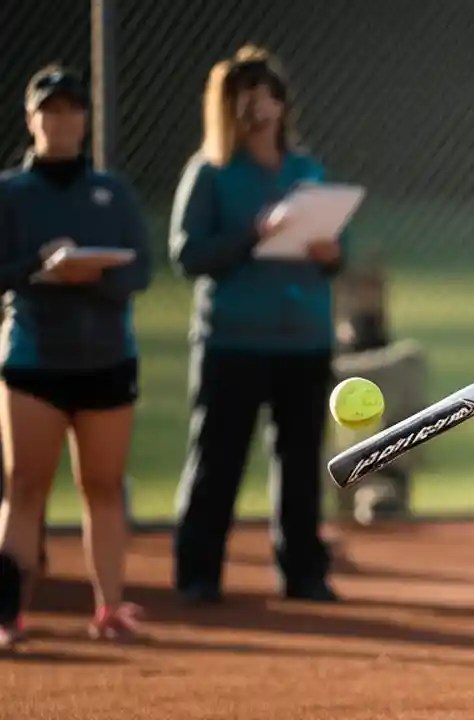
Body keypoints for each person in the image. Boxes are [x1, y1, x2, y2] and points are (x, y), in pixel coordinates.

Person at [170, 45, 349, 604]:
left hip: (304, 339)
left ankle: (303, 571)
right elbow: (187, 254)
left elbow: (341, 252)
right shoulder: (211, 173)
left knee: (300, 464)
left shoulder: (305, 169)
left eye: (269, 91)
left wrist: (327, 251)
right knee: (217, 460)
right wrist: (254, 234)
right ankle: (198, 574)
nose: (260, 103)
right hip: (234, 340)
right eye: (246, 94)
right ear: (226, 106)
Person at [0, 64, 153, 647]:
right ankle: (9, 613)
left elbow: (138, 270)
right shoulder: (11, 193)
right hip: (35, 358)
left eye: (71, 109)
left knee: (104, 486)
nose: (61, 120)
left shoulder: (111, 191)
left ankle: (109, 607)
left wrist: (89, 274)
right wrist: (41, 268)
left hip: (107, 357)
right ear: (31, 118)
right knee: (25, 488)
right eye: (50, 109)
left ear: (85, 119)